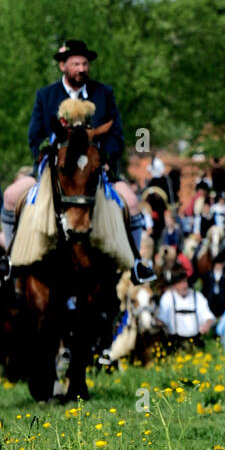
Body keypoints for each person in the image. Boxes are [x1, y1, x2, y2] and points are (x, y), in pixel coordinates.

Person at [1, 39, 153, 283]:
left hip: (97, 171)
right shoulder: (46, 95)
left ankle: (137, 263)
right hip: (54, 170)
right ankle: (9, 259)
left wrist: (105, 159)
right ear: (63, 66)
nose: (82, 68)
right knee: (9, 197)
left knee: (133, 203)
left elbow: (116, 135)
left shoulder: (104, 94)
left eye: (84, 64)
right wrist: (45, 156)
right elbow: (35, 135)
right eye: (76, 64)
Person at [157, 264, 215, 347]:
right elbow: (162, 319)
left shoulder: (197, 296)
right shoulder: (168, 297)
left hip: (195, 341)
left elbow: (208, 316)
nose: (184, 286)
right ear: (174, 285)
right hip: (175, 342)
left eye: (185, 281)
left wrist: (207, 325)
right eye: (180, 283)